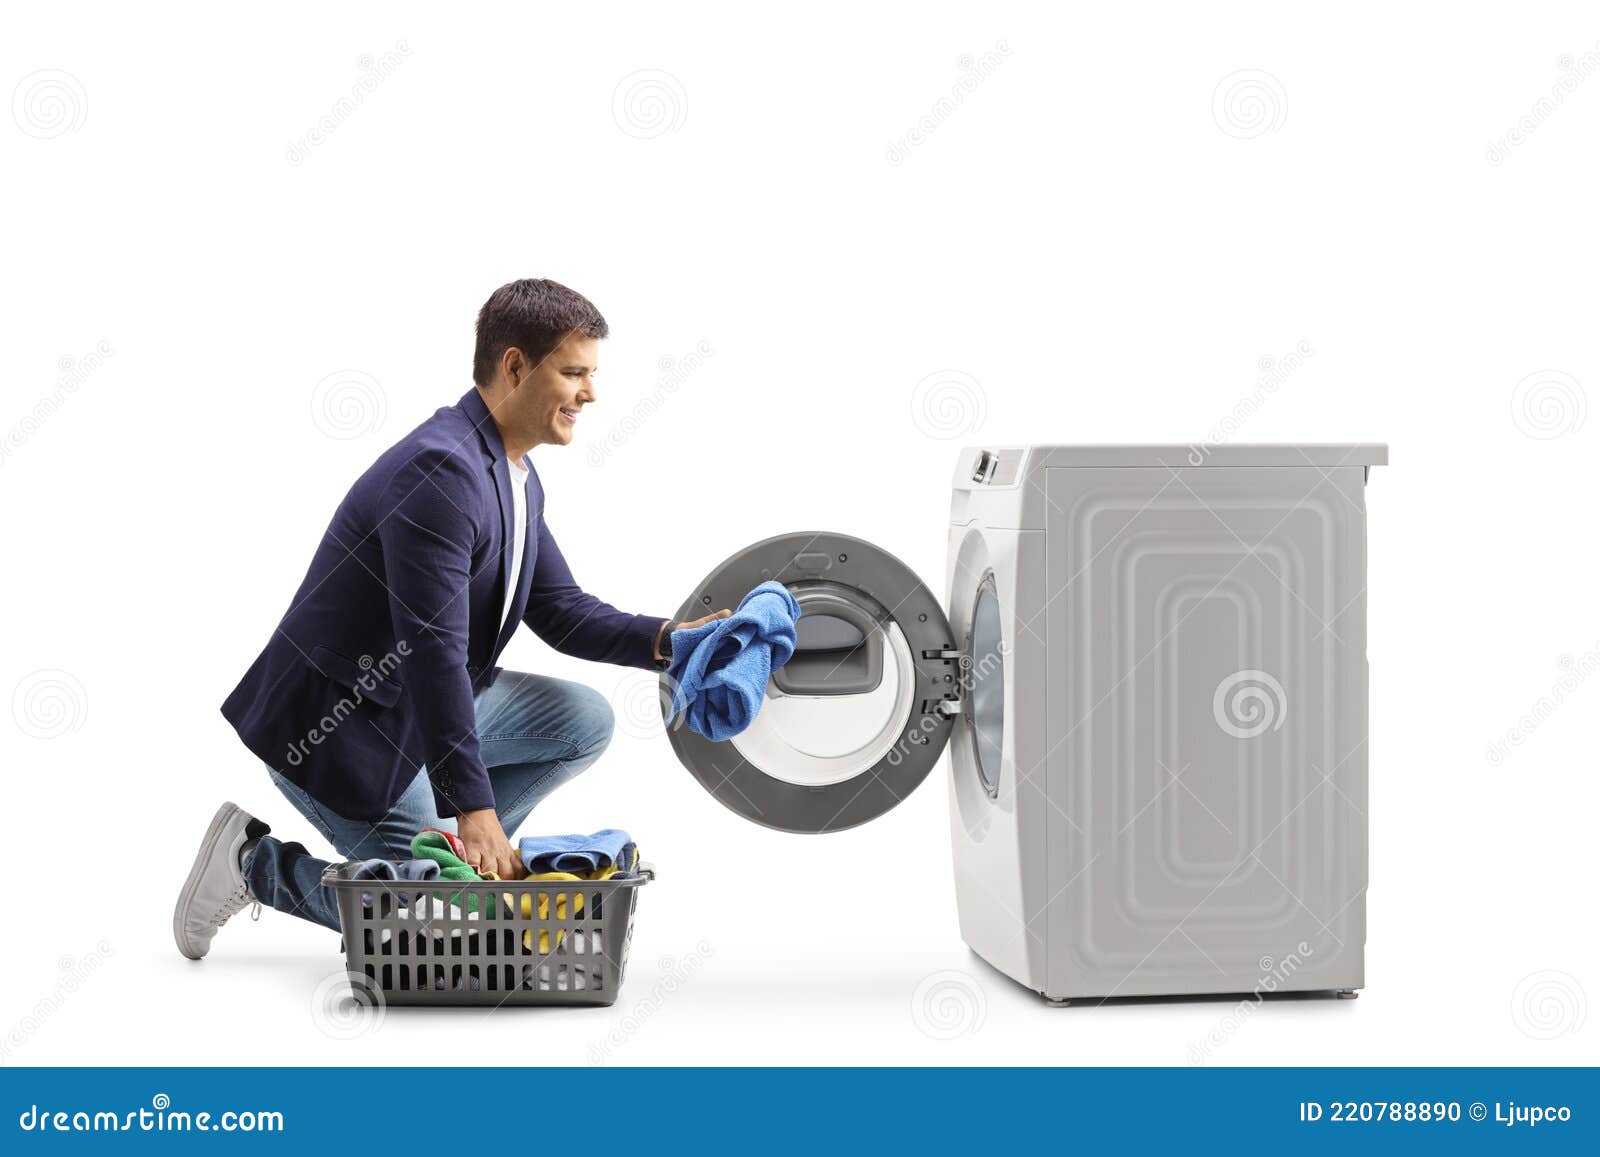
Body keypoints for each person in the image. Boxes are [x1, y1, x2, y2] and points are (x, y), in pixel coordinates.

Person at [173, 279, 728, 957]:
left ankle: (450, 855)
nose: (591, 393)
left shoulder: (511, 469)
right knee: (446, 929)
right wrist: (477, 808)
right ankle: (253, 863)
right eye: (574, 372)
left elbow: (560, 609)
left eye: (591, 373)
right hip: (337, 735)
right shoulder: (442, 472)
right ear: (516, 366)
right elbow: (432, 649)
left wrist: (671, 641)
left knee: (585, 720)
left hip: (412, 716)